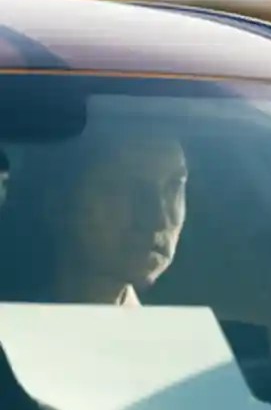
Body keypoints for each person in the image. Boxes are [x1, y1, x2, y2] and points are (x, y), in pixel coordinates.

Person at [0, 127, 188, 306]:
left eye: (174, 187)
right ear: (57, 203)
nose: (157, 219)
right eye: (124, 187)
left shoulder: (185, 336)